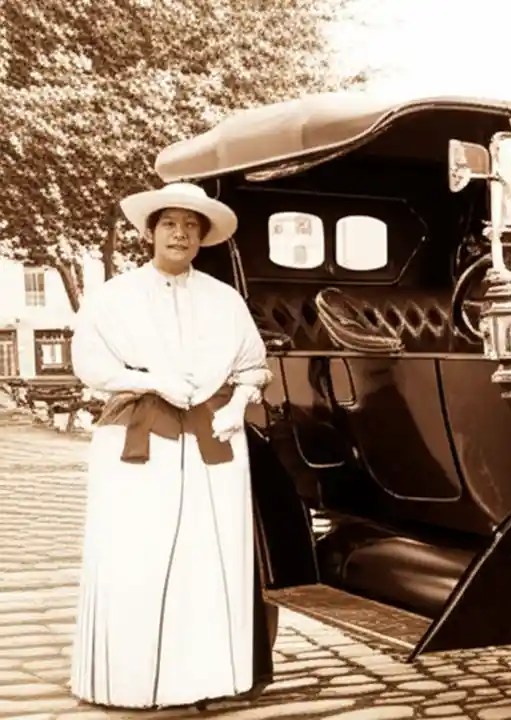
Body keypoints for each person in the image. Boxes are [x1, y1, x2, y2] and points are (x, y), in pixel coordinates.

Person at [68, 182, 274, 709]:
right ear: (151, 232)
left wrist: (234, 406)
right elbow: (92, 365)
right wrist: (152, 381)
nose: (180, 234)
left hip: (213, 443)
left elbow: (253, 367)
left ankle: (207, 679)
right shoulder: (114, 297)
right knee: (138, 552)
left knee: (210, 558)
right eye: (169, 224)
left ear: (202, 238)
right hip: (140, 442)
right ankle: (134, 681)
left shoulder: (224, 300)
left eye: (191, 226)